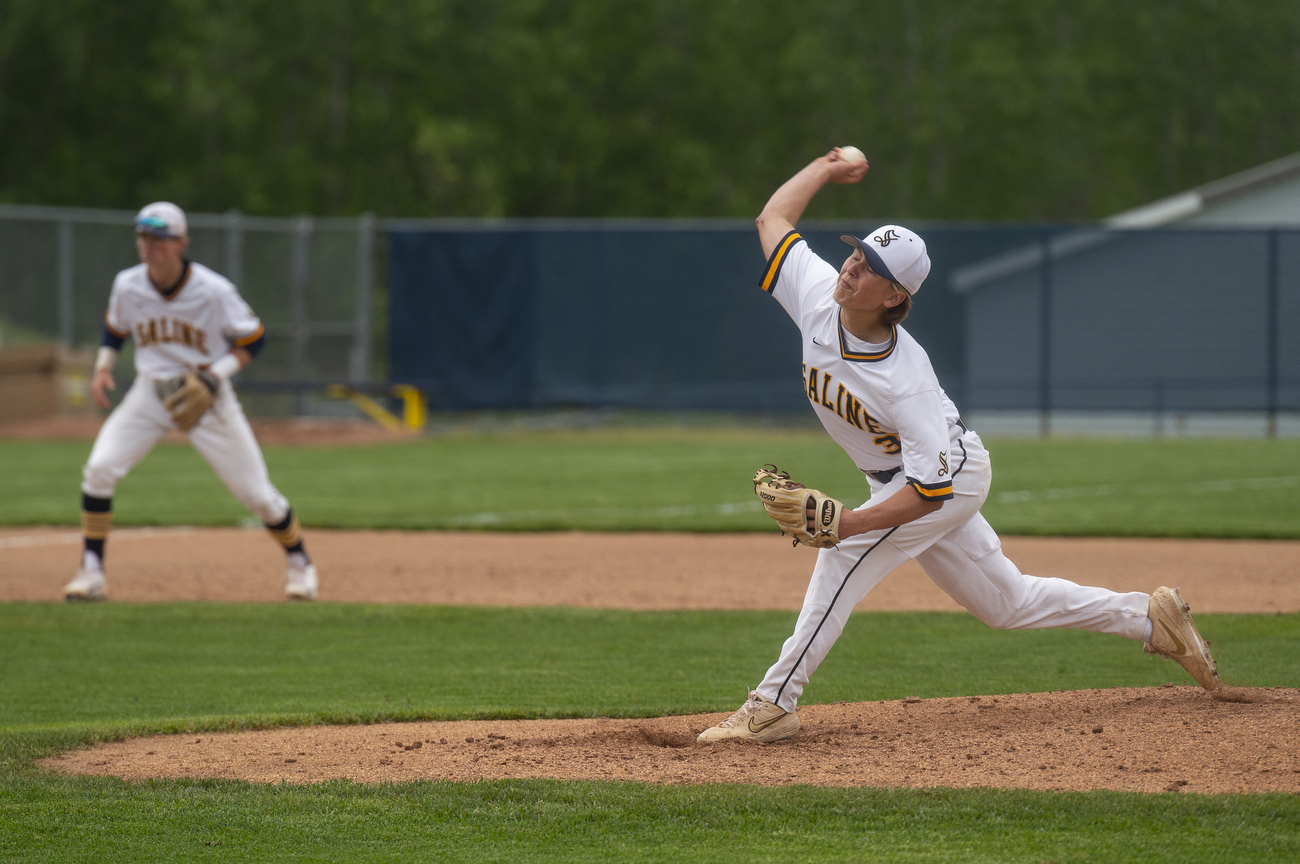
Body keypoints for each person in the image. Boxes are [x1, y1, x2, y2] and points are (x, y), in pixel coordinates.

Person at [697, 150, 1220, 744]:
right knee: (1007, 603)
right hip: (899, 479)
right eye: (855, 253)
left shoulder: (905, 377)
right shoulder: (819, 294)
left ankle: (773, 703)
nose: (850, 268)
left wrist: (852, 524)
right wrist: (825, 166)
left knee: (843, 556)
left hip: (946, 475)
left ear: (894, 296)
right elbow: (772, 220)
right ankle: (1149, 618)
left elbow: (929, 491)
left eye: (869, 268)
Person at [62, 202, 318, 602]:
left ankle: (300, 563)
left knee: (258, 496)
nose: (148, 245)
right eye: (143, 237)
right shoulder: (128, 285)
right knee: (99, 468)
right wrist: (102, 367)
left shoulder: (213, 291)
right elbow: (115, 329)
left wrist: (215, 375)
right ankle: (91, 570)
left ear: (180, 243)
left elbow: (254, 339)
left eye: (158, 238)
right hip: (150, 392)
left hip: (207, 398)